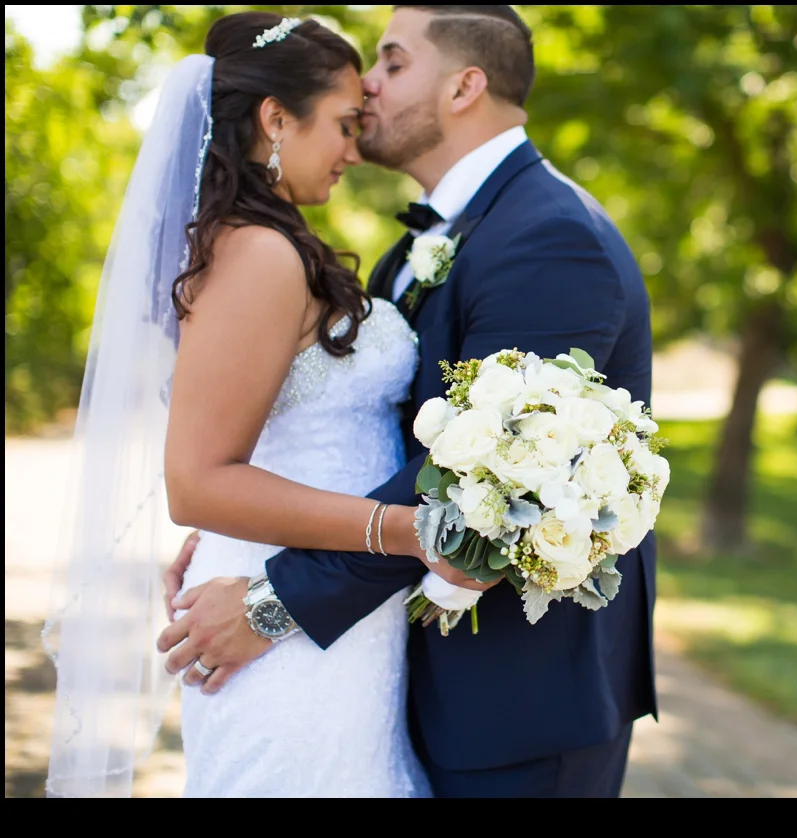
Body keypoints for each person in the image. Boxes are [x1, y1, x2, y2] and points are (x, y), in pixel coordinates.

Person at [158, 5, 659, 798]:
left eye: (391, 62)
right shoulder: (420, 241)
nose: (369, 88)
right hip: (404, 664)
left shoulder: (547, 235)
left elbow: (491, 476)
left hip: (515, 703)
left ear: (465, 86)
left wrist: (273, 597)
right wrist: (243, 524)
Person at [43, 11, 477, 798]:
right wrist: (405, 529)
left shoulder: (261, 243)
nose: (355, 148)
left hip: (321, 606)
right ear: (277, 118)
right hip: (284, 620)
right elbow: (197, 482)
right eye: (344, 125)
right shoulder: (261, 255)